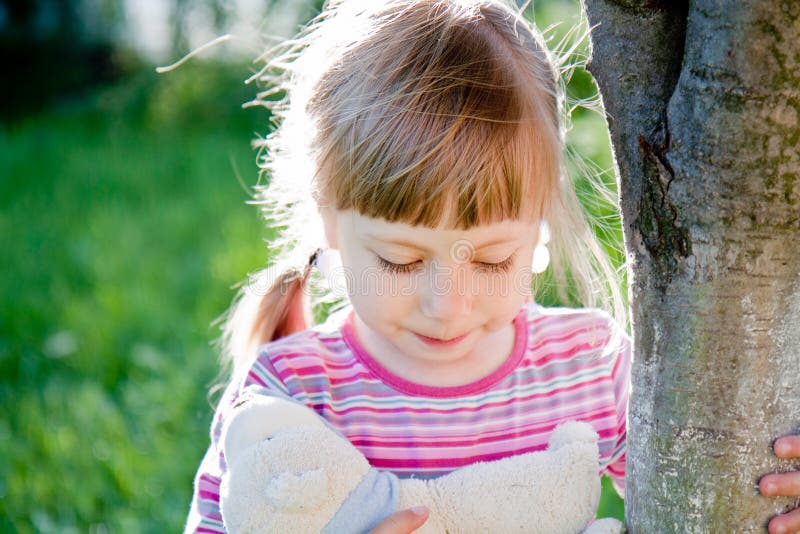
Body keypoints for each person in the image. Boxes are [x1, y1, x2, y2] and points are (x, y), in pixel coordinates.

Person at [184, 1, 800, 532]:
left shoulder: (589, 369)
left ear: (539, 218)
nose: (448, 303)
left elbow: (705, 490)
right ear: (329, 219)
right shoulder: (289, 395)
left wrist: (775, 480)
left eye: (491, 258)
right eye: (401, 261)